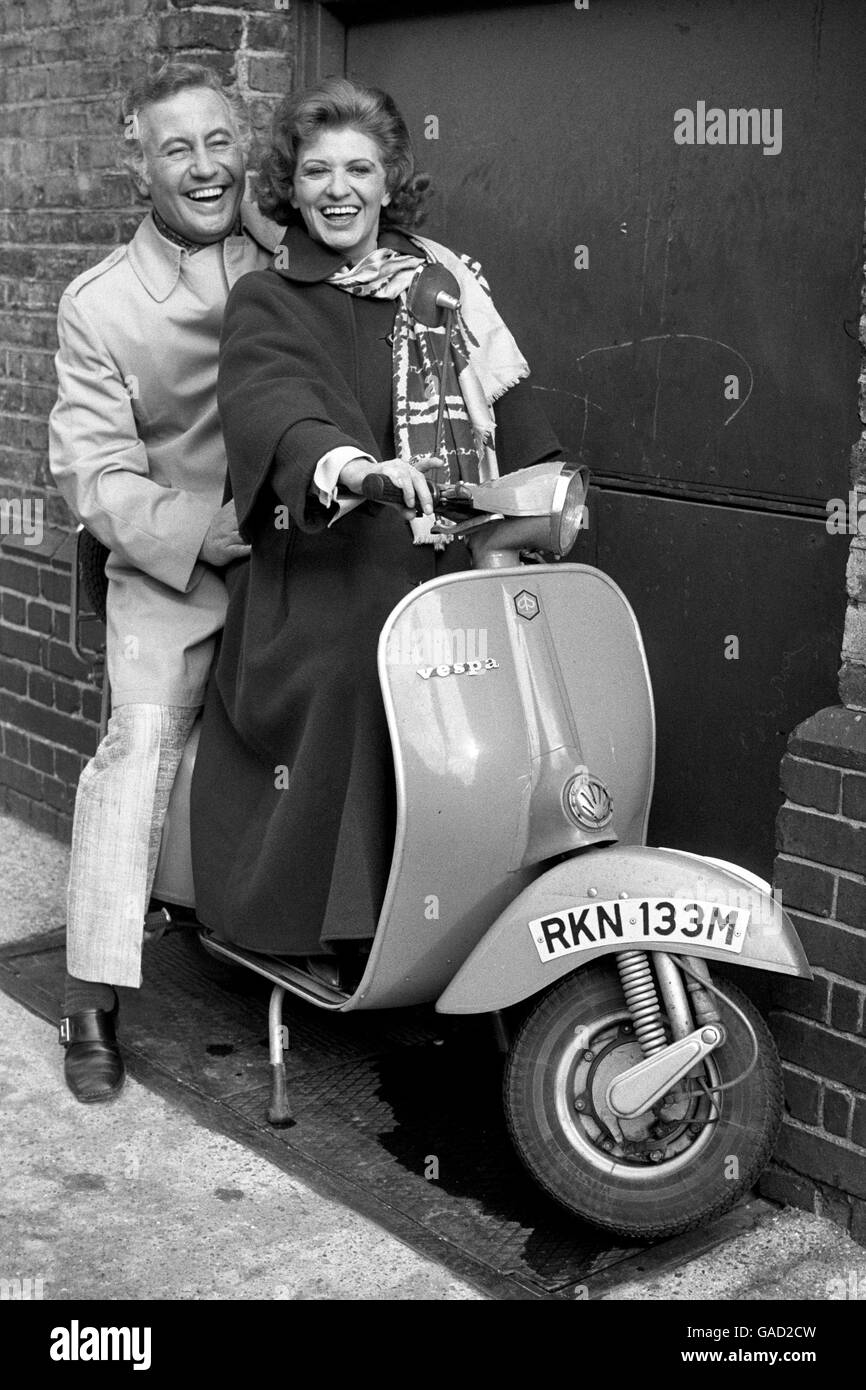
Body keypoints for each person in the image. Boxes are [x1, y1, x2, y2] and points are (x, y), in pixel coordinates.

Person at [190, 76, 561, 987]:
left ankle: (498, 892)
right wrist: (355, 469)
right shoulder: (269, 302)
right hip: (317, 568)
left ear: (391, 180)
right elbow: (275, 407)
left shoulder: (443, 286)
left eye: (360, 167)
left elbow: (515, 415)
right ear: (293, 186)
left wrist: (550, 482)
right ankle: (339, 927)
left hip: (442, 565)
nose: (339, 188)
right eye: (317, 170)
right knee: (363, 665)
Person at [48, 61, 279, 1102]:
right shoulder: (98, 308)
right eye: (175, 147)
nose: (203, 165)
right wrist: (206, 531)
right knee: (136, 749)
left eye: (218, 141)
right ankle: (92, 1000)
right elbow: (94, 476)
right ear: (136, 164)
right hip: (176, 573)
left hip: (309, 569)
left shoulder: (293, 257)